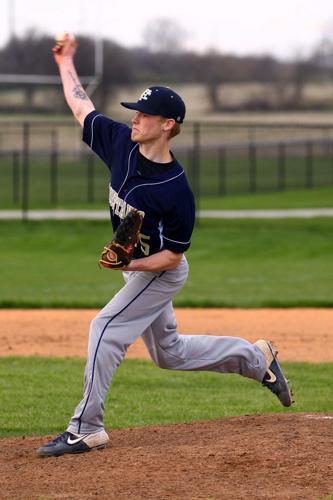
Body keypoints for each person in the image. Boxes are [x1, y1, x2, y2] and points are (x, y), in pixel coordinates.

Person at [37, 35, 293, 457]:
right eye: (135, 113)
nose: (135, 119)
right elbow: (81, 105)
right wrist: (66, 61)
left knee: (104, 328)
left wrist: (131, 267)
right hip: (140, 266)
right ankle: (255, 359)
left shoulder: (175, 191)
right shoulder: (121, 143)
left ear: (167, 124)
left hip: (161, 271)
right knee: (169, 354)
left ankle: (87, 427)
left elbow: (172, 256)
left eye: (144, 115)